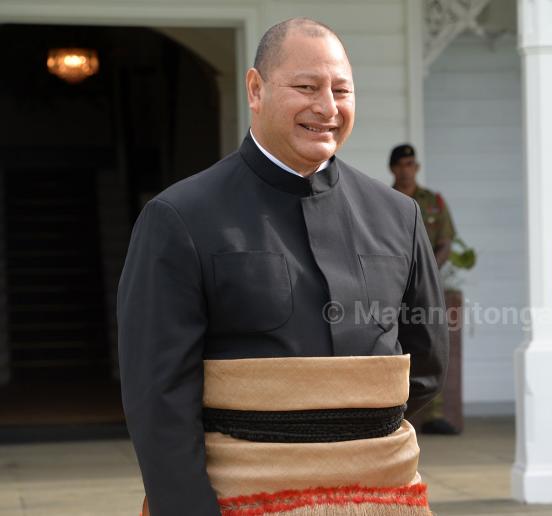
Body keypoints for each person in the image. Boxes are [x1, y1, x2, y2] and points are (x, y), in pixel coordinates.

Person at [118, 18, 447, 516]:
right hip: (241, 500)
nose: (327, 107)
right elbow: (158, 395)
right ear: (256, 89)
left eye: (341, 90)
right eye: (307, 87)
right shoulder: (180, 217)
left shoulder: (399, 216)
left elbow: (426, 363)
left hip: (380, 497)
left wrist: (353, 437)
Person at [389, 143, 459, 435]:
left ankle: (435, 414)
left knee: (431, 343)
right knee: (393, 344)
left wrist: (427, 272)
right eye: (400, 165)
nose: (406, 170)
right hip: (392, 284)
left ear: (416, 168)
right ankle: (393, 408)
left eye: (410, 165)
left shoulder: (433, 202)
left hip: (426, 285)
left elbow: (445, 242)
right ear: (393, 168)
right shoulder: (383, 200)